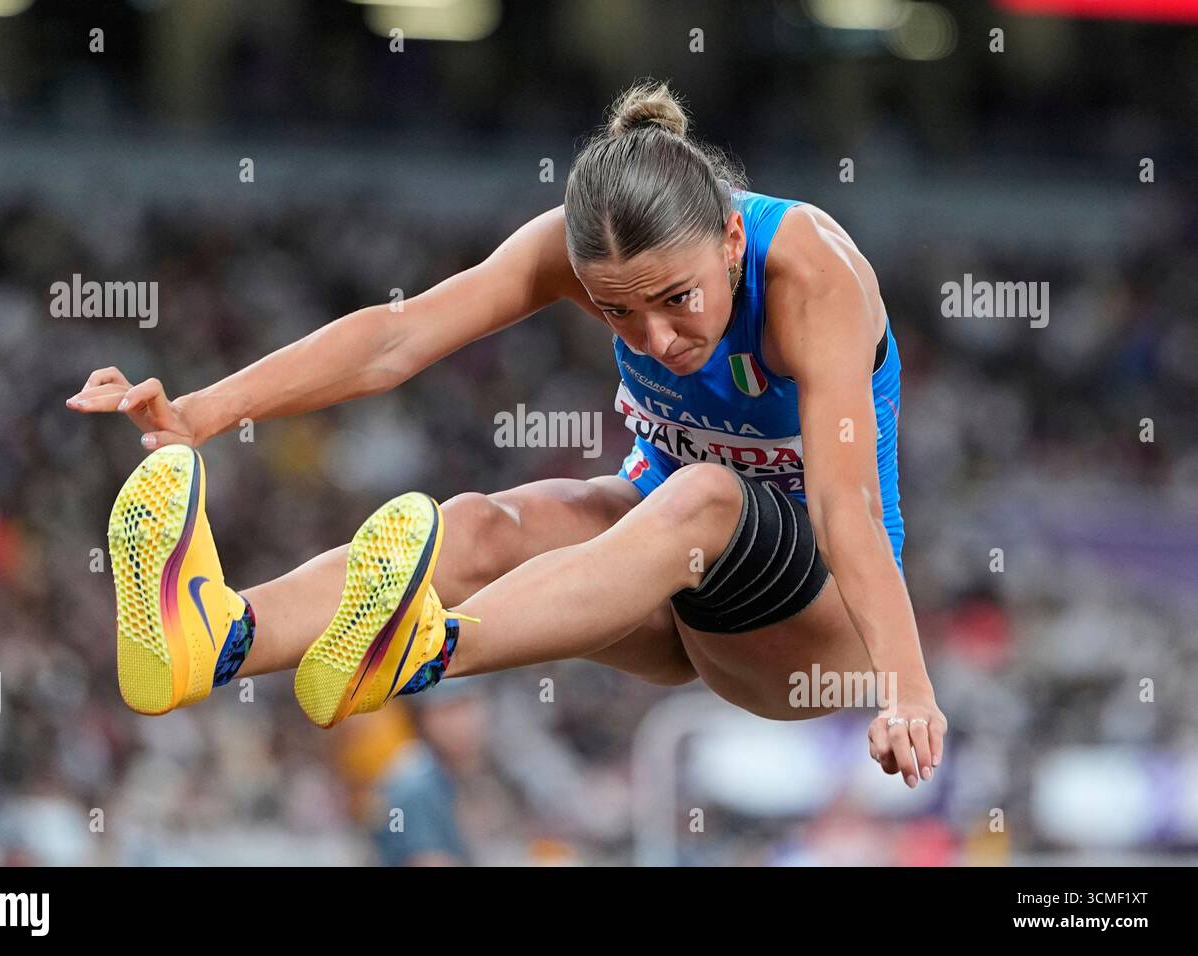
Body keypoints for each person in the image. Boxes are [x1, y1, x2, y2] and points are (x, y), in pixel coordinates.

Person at [69, 81, 946, 788]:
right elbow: (397, 338)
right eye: (617, 315)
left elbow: (846, 504)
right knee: (492, 521)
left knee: (706, 493)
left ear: (726, 242)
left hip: (817, 627)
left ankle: (430, 644)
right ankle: (216, 638)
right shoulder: (571, 248)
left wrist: (908, 689)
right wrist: (202, 413)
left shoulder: (811, 276)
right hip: (658, 587)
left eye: (678, 300)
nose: (657, 342)